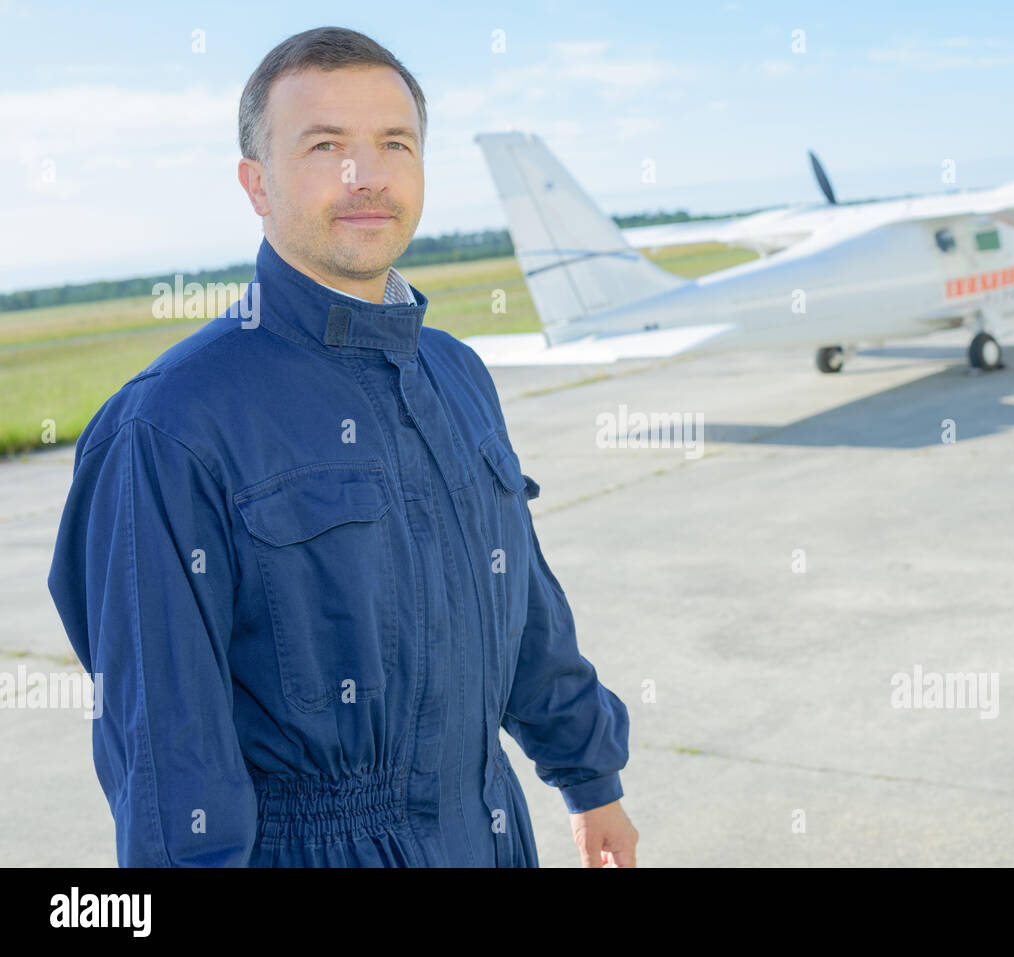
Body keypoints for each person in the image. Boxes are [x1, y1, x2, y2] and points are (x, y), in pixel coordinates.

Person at [46, 25, 636, 868]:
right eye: (325, 146)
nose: (368, 176)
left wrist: (592, 778)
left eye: (394, 143)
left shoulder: (458, 373)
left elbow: (527, 612)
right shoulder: (168, 426)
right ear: (257, 183)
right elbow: (168, 754)